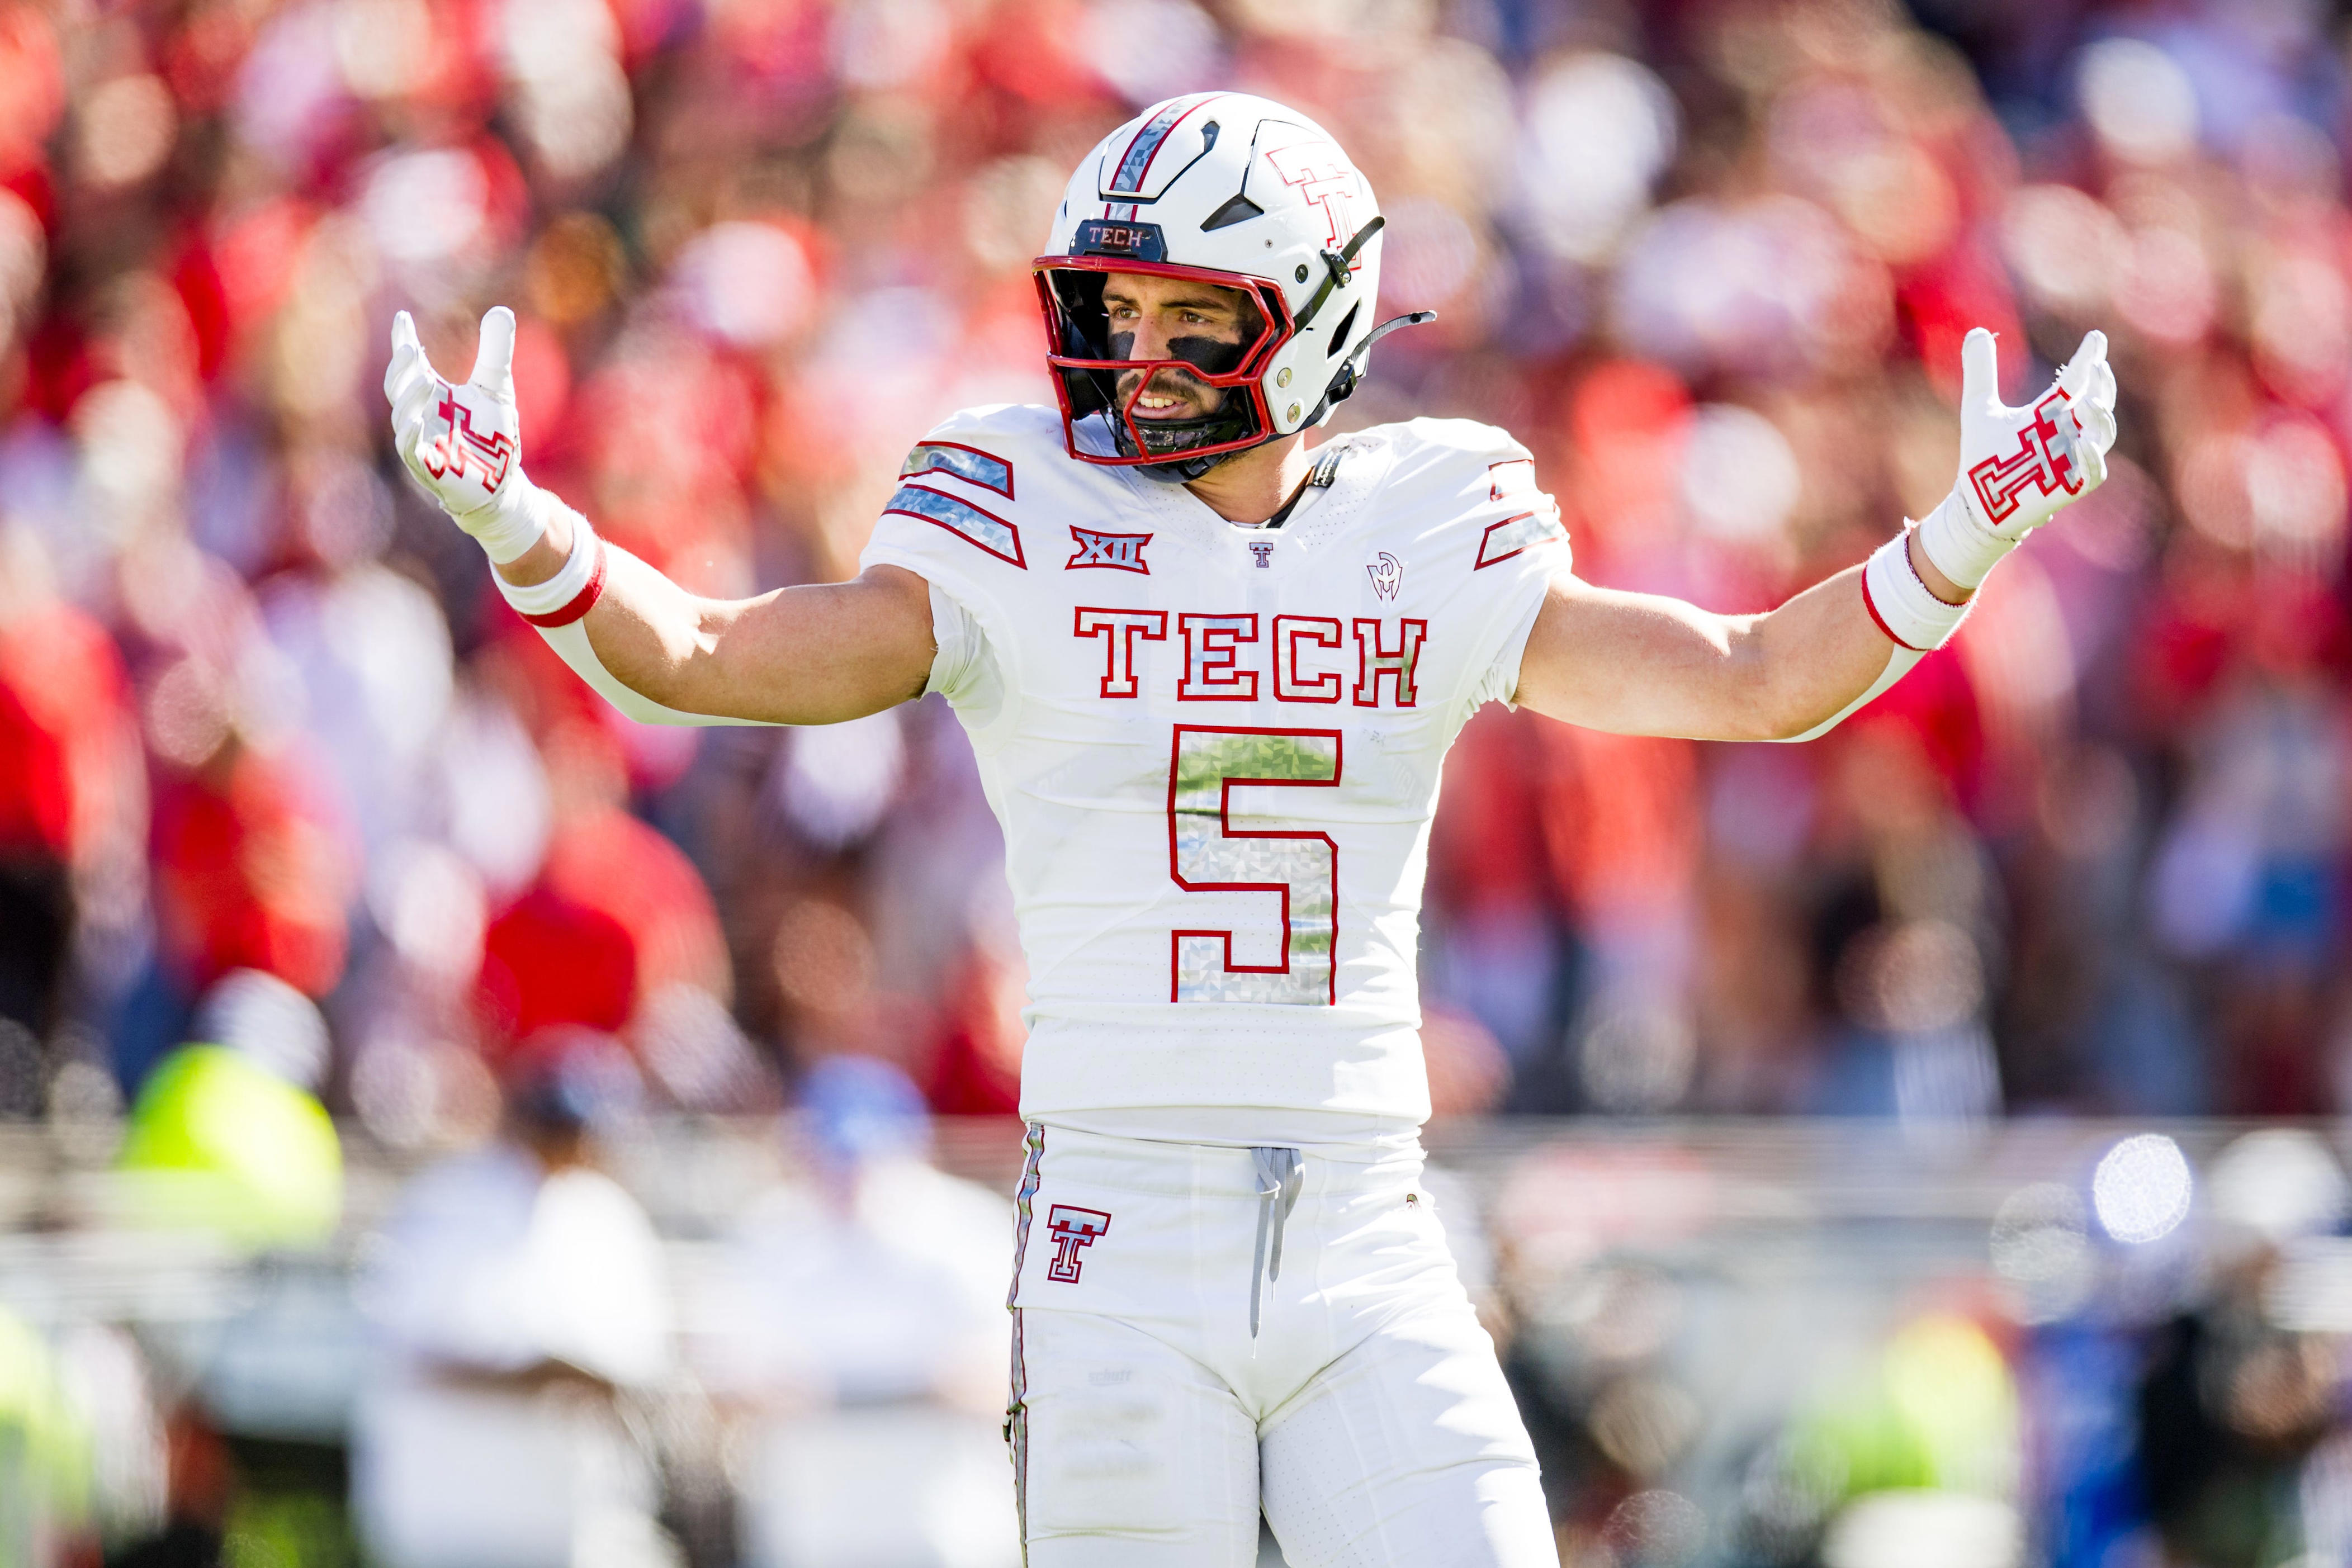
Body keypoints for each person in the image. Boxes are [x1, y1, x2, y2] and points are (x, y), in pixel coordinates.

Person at [382, 92, 2118, 1568]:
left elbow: (1752, 682)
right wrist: (521, 525)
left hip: (1371, 1220)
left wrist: (1970, 526)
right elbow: (708, 661)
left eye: (1187, 318)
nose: (1134, 358)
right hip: (1119, 1234)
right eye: (1112, 313)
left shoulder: (1437, 515)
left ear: (1318, 315)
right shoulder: (1013, 509)